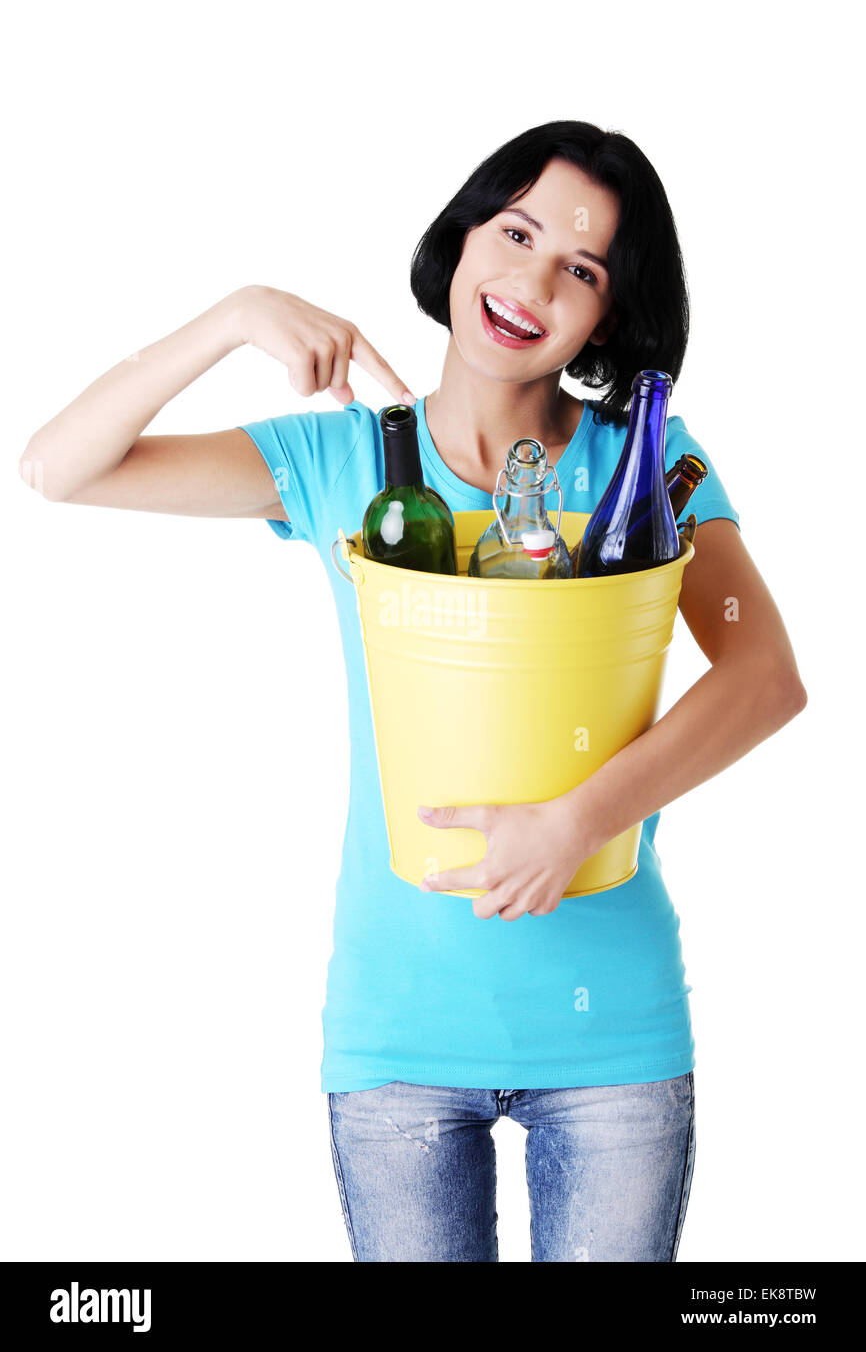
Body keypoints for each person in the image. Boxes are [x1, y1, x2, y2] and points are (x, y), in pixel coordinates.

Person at [18, 120, 807, 1262]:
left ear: (607, 315)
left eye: (579, 269)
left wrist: (578, 821)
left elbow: (762, 673)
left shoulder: (651, 463)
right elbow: (57, 466)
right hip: (395, 1040)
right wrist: (237, 314)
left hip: (611, 1041)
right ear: (461, 238)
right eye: (516, 230)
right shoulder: (340, 465)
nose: (531, 281)